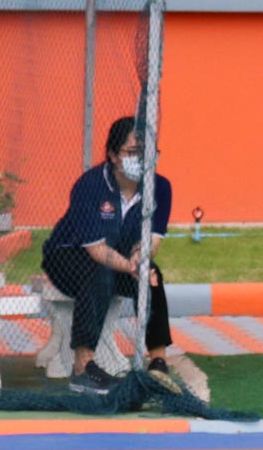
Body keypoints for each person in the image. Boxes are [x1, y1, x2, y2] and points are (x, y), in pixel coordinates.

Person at [40, 116, 175, 395]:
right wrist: (129, 266)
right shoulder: (90, 185)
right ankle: (83, 367)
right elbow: (95, 249)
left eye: (149, 152)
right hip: (68, 256)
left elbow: (151, 238)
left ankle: (159, 362)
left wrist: (140, 258)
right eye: (133, 152)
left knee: (152, 276)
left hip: (119, 258)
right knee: (98, 271)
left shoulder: (160, 187)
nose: (142, 159)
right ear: (113, 155)